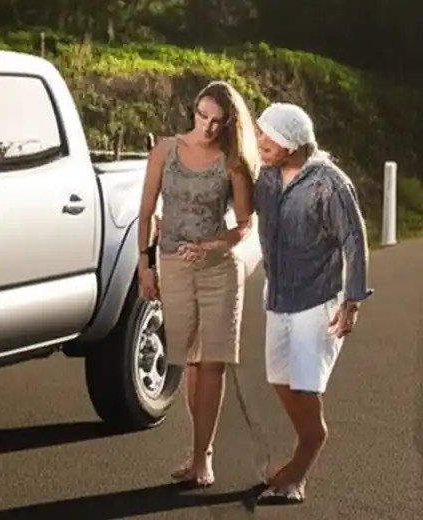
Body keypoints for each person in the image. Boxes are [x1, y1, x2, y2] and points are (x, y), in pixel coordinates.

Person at [136, 80, 260, 488]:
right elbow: (147, 209)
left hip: (218, 269)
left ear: (228, 125)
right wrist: (145, 266)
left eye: (217, 122)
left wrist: (211, 245)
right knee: (190, 361)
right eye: (202, 116)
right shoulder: (164, 151)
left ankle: (204, 455)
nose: (207, 127)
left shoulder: (233, 161)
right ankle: (197, 448)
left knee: (212, 364)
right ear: (194, 110)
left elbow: (244, 226)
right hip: (172, 266)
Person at [252, 102, 372, 505]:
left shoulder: (330, 183)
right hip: (278, 295)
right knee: (278, 376)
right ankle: (309, 437)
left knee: (304, 382)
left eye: (268, 134)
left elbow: (354, 241)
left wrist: (352, 302)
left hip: (319, 299)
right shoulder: (266, 178)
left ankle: (299, 467)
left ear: (291, 142)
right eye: (259, 132)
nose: (261, 140)